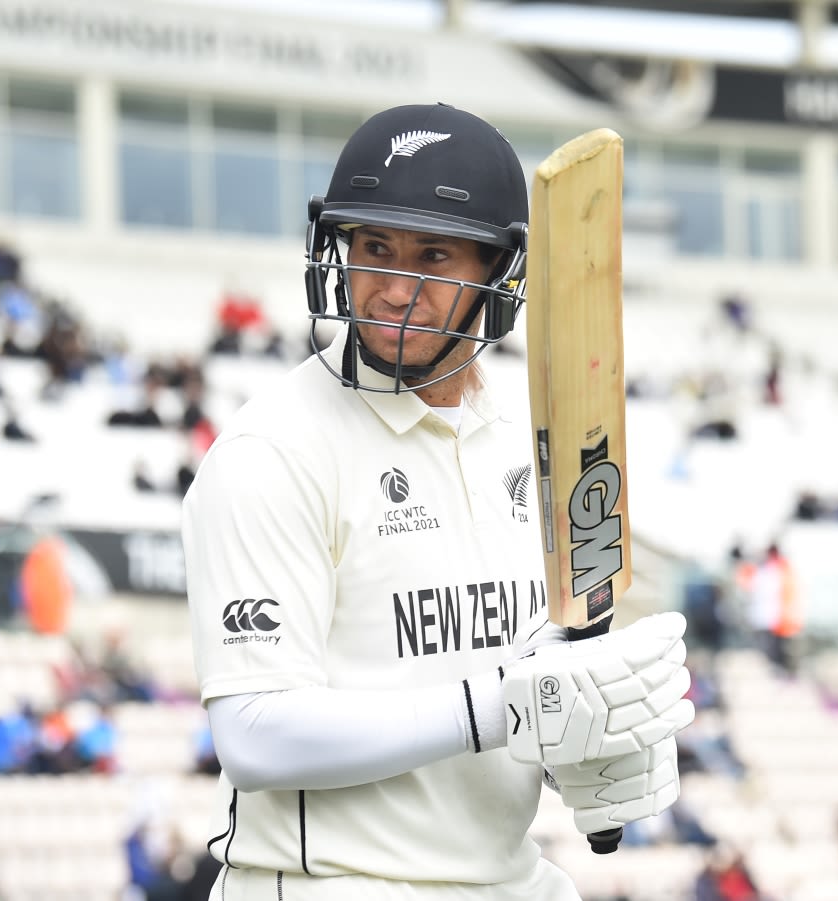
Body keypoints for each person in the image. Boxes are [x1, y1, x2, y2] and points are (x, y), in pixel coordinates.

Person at [181, 103, 694, 901]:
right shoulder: (272, 454)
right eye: (374, 247)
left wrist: (597, 740)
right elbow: (252, 735)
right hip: (332, 882)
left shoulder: (528, 447)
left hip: (503, 875)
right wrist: (496, 708)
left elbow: (521, 708)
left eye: (434, 255)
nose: (392, 288)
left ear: (498, 272)